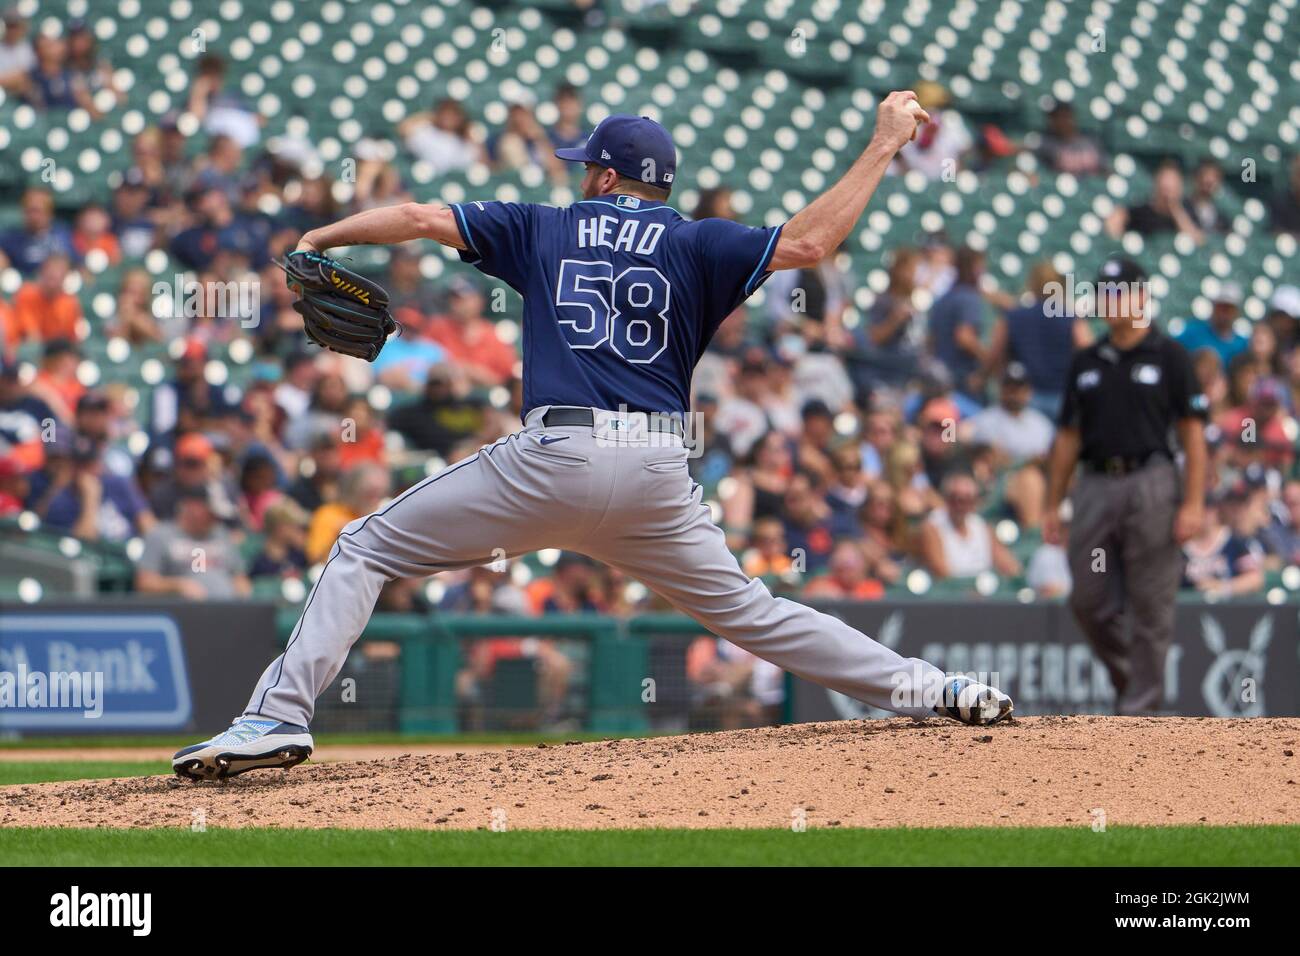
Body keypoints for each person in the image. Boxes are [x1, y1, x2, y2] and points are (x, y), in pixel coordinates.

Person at [173, 93, 1014, 782]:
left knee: (363, 547)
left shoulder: (544, 224)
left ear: (606, 174)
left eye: (589, 163)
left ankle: (274, 719)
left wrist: (322, 237)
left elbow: (421, 217)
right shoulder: (697, 240)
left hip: (555, 457)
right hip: (656, 470)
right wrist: (881, 146)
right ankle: (936, 688)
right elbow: (813, 241)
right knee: (756, 613)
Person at [1044, 256, 1208, 716]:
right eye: (1105, 292)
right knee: (1087, 601)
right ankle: (1132, 685)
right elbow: (1066, 438)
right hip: (1095, 482)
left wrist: (1193, 502)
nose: (1110, 301)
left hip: (1153, 479)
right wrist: (1051, 503)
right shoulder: (1086, 361)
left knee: (1151, 605)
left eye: (1120, 291)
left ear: (1141, 297)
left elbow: (1193, 434)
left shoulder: (1170, 355)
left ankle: (1139, 712)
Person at [136, 485, 251, 599]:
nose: (216, 518)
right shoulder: (160, 535)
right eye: (211, 512)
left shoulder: (222, 535)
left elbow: (239, 577)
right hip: (181, 610)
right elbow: (145, 583)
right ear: (192, 506)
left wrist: (242, 593)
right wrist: (177, 586)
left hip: (226, 609)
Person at [1175, 281, 1249, 368]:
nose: (1223, 313)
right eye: (1220, 307)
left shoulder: (1242, 345)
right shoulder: (1192, 333)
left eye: (1228, 309)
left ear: (1236, 312)